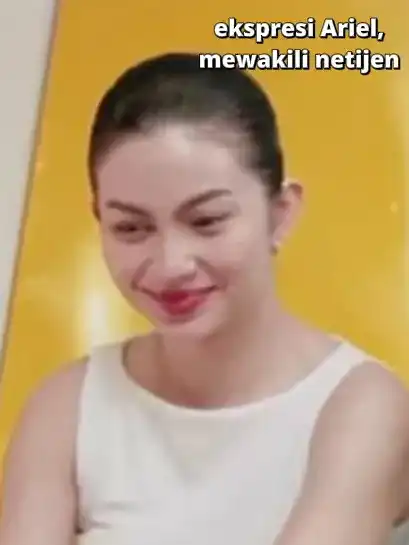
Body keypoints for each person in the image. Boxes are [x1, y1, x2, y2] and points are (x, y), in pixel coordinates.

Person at [1, 52, 409, 545]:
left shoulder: (362, 407)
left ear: (281, 213)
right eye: (131, 228)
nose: (171, 264)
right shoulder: (67, 406)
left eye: (207, 221)